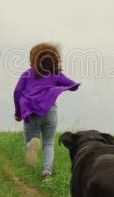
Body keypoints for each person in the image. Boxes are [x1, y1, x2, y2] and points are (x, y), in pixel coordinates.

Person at [13, 42, 80, 180]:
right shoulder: (56, 75)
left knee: (30, 141)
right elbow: (73, 85)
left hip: (31, 112)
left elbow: (17, 92)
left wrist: (18, 113)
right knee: (48, 143)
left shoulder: (27, 74)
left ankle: (31, 145)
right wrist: (60, 87)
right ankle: (47, 173)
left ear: (33, 59)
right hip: (50, 111)